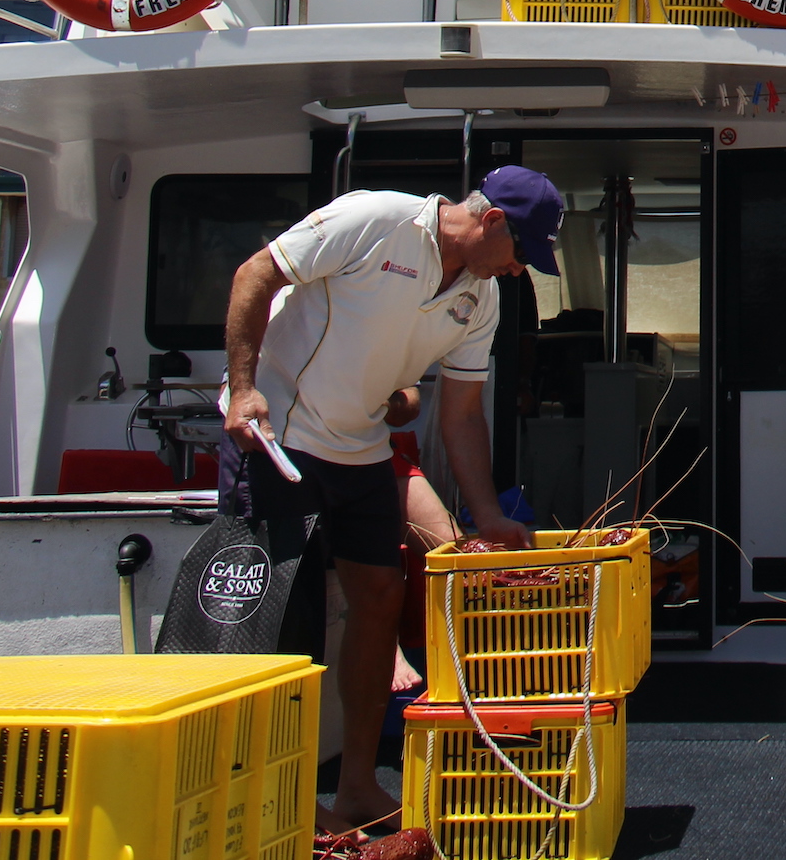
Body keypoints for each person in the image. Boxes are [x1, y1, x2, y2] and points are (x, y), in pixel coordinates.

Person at [222, 167, 556, 835]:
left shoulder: (480, 299)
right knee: (281, 618)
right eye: (522, 252)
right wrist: (242, 386)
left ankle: (354, 789)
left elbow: (461, 414)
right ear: (492, 222)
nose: (521, 270)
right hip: (277, 434)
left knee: (379, 596)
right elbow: (255, 273)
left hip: (361, 447)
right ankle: (271, 795)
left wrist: (487, 513)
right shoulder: (375, 220)